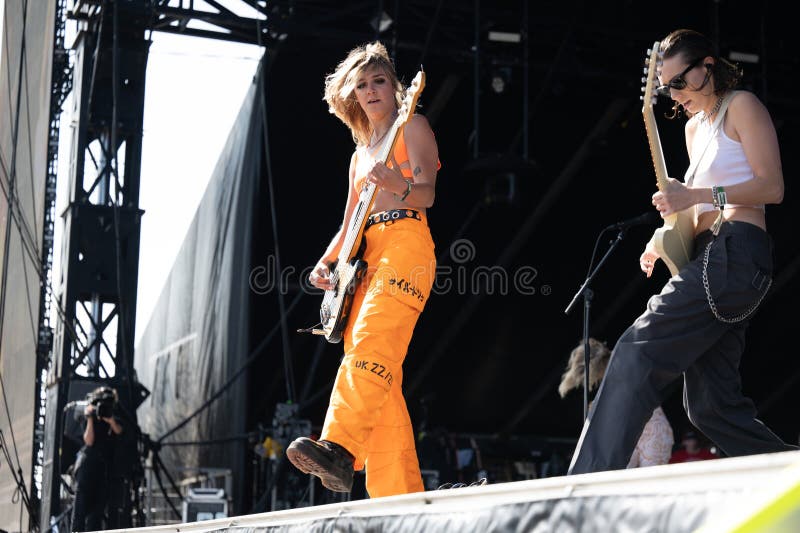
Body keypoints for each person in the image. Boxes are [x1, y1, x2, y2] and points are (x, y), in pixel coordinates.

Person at [568, 28, 798, 475]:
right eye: (665, 88)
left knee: (636, 350)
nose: (674, 95)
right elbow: (695, 210)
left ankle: (583, 485)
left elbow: (772, 187)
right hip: (714, 257)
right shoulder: (694, 129)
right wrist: (662, 238)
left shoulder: (742, 106)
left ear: (708, 67)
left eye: (679, 82)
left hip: (738, 252)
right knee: (712, 407)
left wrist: (695, 196)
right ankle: (790, 475)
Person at [286, 41, 439, 498]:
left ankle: (339, 448)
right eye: (362, 84)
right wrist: (327, 260)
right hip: (366, 255)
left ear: (395, 88)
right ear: (351, 95)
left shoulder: (413, 125)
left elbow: (428, 194)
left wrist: (400, 183)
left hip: (408, 243)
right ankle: (398, 496)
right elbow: (352, 220)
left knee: (371, 344)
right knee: (378, 372)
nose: (372, 90)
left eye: (379, 81)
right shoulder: (359, 155)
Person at [559, 338, 674, 468]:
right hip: (636, 432)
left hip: (652, 431)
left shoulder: (621, 364)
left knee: (646, 482)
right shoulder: (615, 367)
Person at [71, 386, 125, 531]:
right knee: (80, 509)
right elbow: (88, 441)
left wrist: (110, 420)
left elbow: (119, 431)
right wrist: (90, 418)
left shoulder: (114, 416)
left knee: (96, 514)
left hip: (103, 468)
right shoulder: (91, 417)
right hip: (88, 465)